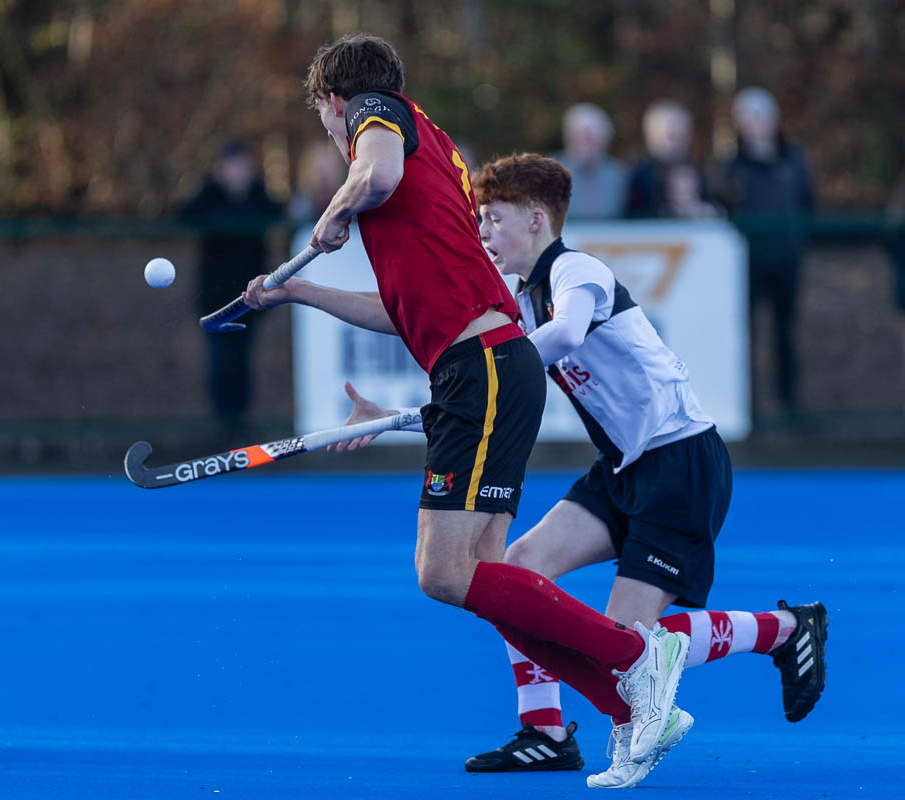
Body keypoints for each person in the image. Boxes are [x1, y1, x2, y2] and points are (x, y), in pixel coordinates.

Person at [242, 34, 692, 781]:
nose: (333, 133)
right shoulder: (427, 150)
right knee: (488, 582)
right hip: (489, 365)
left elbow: (374, 172)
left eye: (327, 119)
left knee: (441, 572)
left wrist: (338, 206)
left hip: (480, 368)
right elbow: (401, 308)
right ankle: (627, 706)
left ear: (334, 101)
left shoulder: (378, 119)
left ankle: (638, 654)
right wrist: (298, 290)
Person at [336, 153, 828, 789]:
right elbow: (475, 382)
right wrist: (395, 416)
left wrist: (488, 374)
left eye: (494, 219)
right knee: (509, 575)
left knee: (622, 643)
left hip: (680, 464)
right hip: (620, 469)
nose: (483, 233)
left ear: (537, 219)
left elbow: (561, 338)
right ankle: (545, 733)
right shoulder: (517, 297)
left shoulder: (576, 271)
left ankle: (787, 629)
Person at [722, 87, 815, 420]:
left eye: (763, 115)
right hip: (746, 264)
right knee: (743, 333)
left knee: (786, 332)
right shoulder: (731, 165)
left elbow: (808, 202)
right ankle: (747, 408)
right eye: (750, 117)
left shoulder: (794, 159)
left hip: (787, 260)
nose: (758, 123)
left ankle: (789, 405)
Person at [180, 140, 283, 427]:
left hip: (250, 300)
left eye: (242, 165)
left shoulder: (260, 196)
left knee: (241, 362)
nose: (237, 171)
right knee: (219, 363)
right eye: (231, 165)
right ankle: (222, 424)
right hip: (214, 300)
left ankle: (240, 424)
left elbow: (278, 213)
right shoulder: (209, 195)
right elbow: (184, 213)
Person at [626, 100, 715, 219]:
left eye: (678, 135)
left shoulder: (700, 171)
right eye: (668, 135)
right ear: (650, 135)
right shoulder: (637, 175)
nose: (671, 142)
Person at [550, 103, 628, 219]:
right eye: (580, 135)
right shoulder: (548, 172)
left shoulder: (620, 175)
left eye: (592, 137)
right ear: (568, 136)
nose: (586, 142)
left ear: (606, 140)